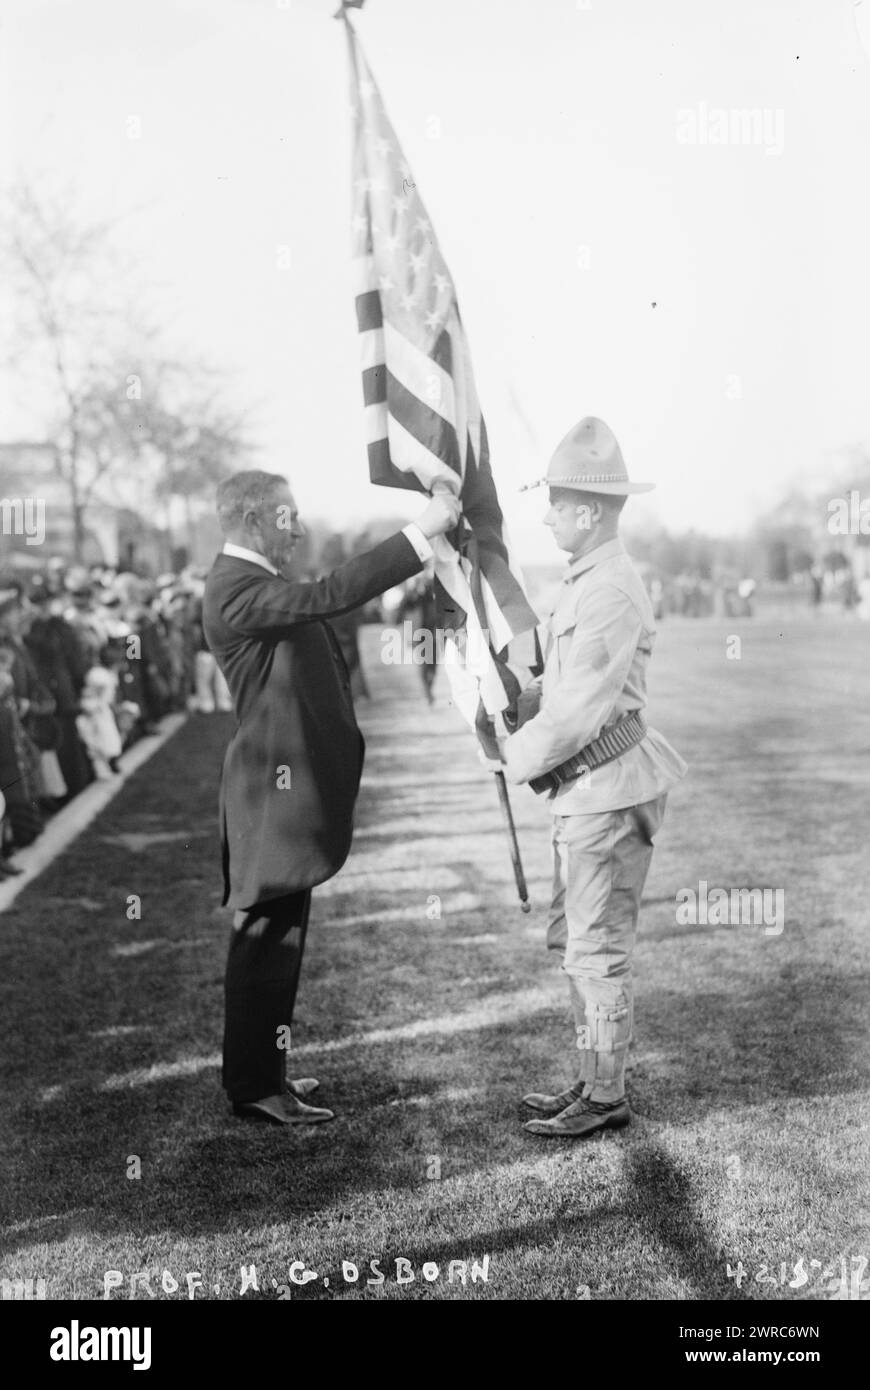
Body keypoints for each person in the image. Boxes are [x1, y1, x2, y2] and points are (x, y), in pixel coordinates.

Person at [203, 469, 461, 1126]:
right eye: (287, 515)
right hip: (271, 799)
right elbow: (330, 595)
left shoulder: (252, 582)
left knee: (276, 942)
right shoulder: (236, 587)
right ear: (254, 520)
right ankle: (256, 1086)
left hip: (279, 798)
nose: (299, 527)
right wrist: (421, 532)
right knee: (267, 946)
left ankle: (263, 1073)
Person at [481, 418, 687, 1138]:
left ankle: (605, 1095)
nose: (547, 517)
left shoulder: (608, 591)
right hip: (590, 790)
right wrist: (509, 703)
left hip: (607, 790)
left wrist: (514, 755)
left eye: (557, 505)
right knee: (575, 942)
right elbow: (563, 688)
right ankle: (592, 1079)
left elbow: (578, 713)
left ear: (590, 512)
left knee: (595, 950)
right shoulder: (588, 582)